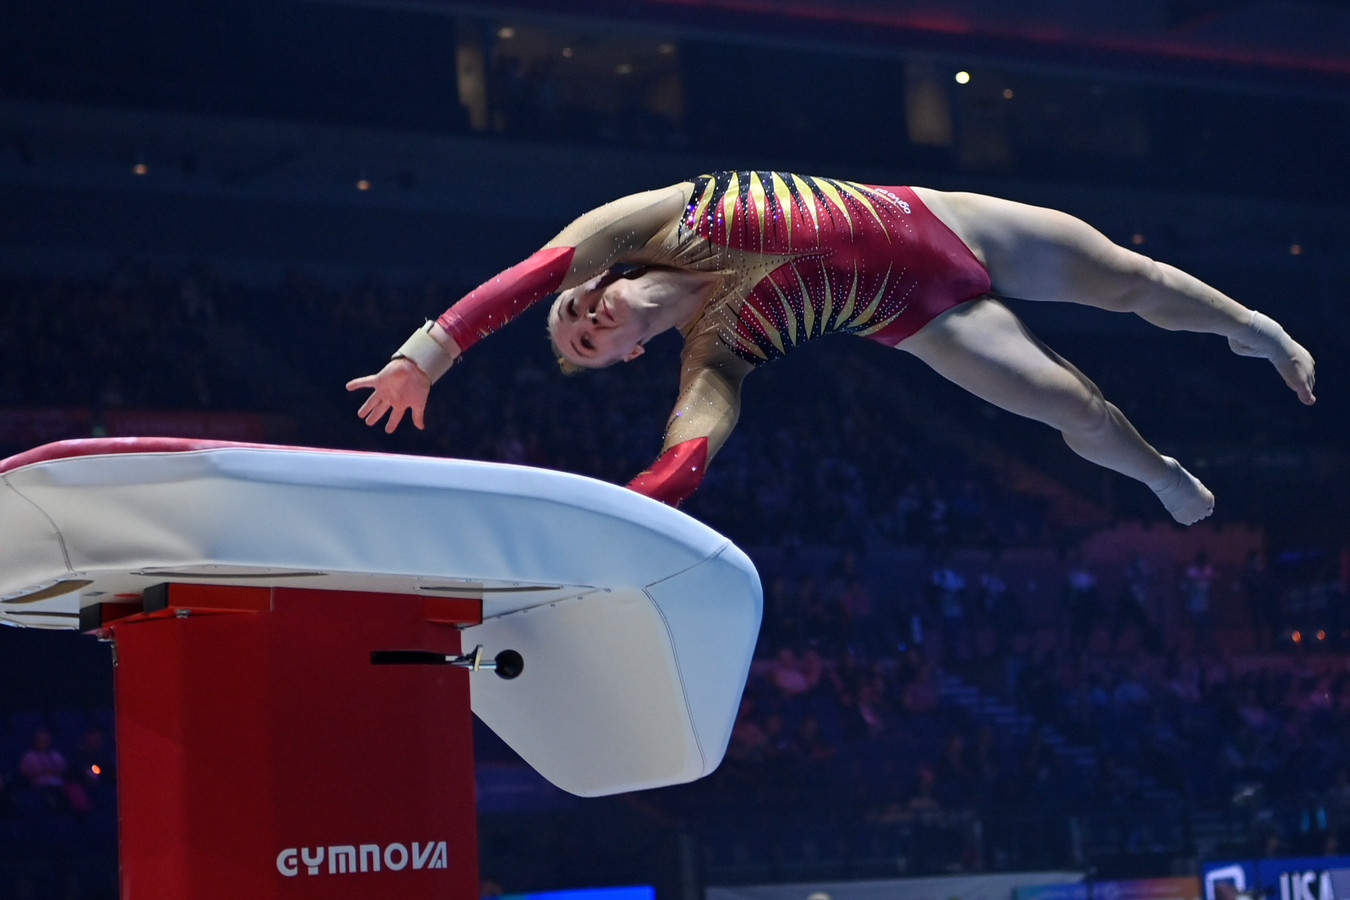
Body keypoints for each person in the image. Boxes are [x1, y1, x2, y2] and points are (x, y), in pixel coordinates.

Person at [348, 171, 1316, 524]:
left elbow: (525, 276)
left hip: (944, 220)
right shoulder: (712, 351)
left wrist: (425, 354)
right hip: (920, 318)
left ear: (595, 288)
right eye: (591, 349)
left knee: (1132, 282)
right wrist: (640, 503)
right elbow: (695, 441)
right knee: (1071, 406)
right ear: (633, 353)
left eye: (575, 317)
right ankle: (1155, 472)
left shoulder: (648, 216)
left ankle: (1252, 328)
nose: (584, 326)